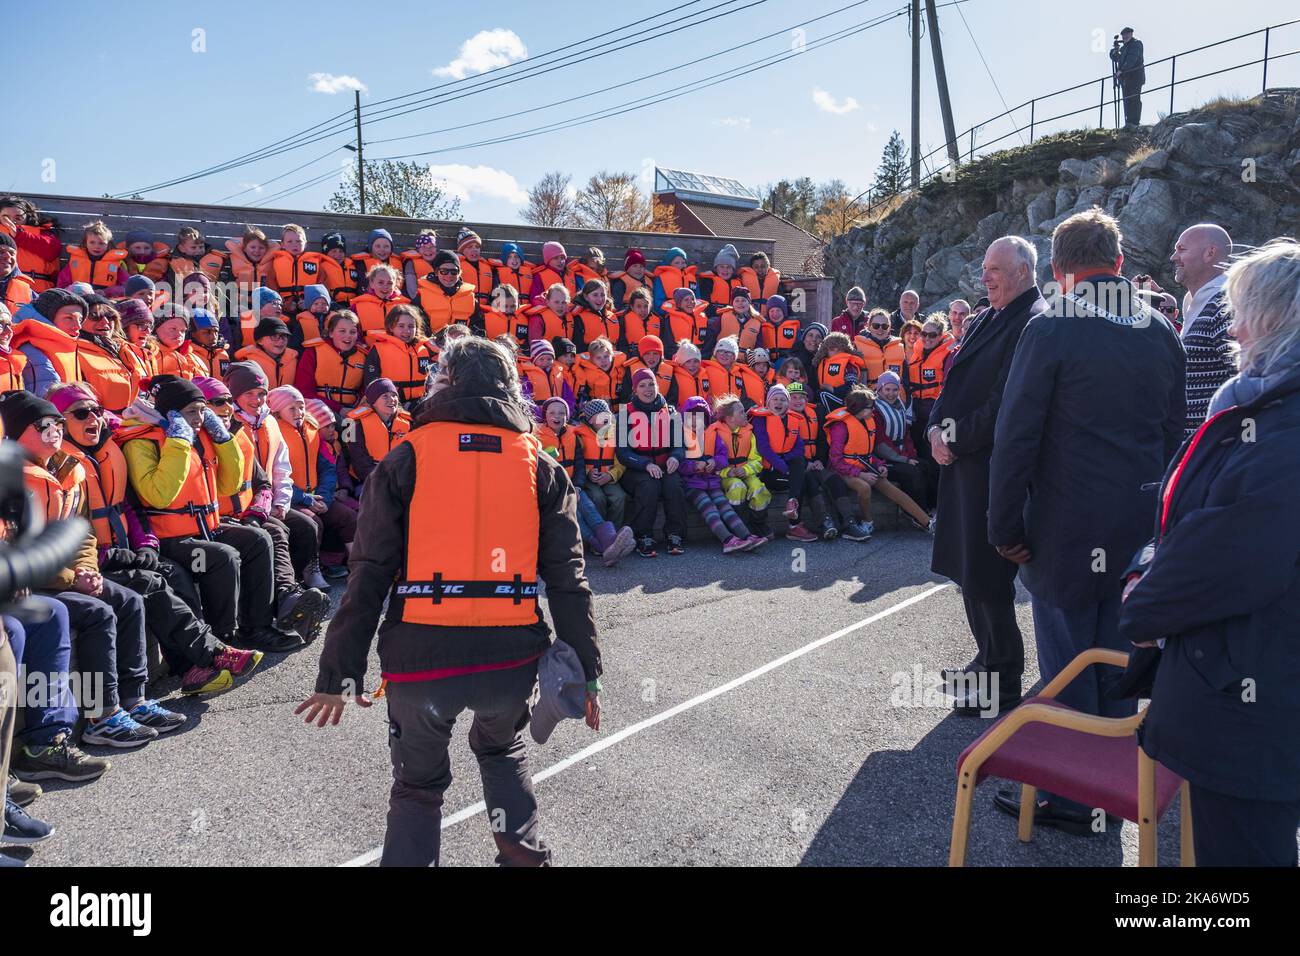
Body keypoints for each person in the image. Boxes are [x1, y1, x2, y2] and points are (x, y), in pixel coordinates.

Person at [299, 336, 602, 868]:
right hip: (509, 657)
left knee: (417, 788)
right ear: (511, 387)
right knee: (502, 753)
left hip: (421, 656)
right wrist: (588, 673)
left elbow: (367, 575)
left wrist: (339, 676)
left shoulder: (404, 457)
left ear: (444, 382)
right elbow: (568, 580)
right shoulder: (542, 464)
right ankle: (527, 861)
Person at [988, 209, 1185, 832]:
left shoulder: (1050, 328)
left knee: (1069, 663)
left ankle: (1073, 798)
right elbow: (1174, 435)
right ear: (1119, 264)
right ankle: (1113, 788)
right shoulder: (1160, 329)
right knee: (1118, 660)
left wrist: (1003, 527)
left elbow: (1015, 437)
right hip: (1137, 527)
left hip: (1065, 528)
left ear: (1057, 270)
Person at [1119, 240, 1300, 866]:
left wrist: (1143, 607)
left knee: (1244, 857)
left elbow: (1227, 555)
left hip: (1251, 703)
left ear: (1270, 320)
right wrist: (1148, 563)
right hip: (1250, 683)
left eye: (1240, 311)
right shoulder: (1259, 406)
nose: (1232, 326)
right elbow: (1182, 513)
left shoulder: (1279, 431)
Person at [51, 382, 263, 695]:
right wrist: (105, 558)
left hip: (128, 549)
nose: (93, 419)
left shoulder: (102, 452)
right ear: (57, 423)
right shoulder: (63, 465)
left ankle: (214, 653)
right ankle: (203, 660)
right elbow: (157, 497)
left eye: (96, 411)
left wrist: (146, 543)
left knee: (189, 566)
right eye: (81, 413)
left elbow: (129, 507)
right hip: (97, 560)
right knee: (164, 579)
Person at [2, 389, 179, 747]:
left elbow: (81, 534)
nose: (54, 429)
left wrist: (87, 569)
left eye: (56, 422)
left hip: (68, 575)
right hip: (35, 584)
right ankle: (102, 715)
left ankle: (134, 699)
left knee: (129, 601)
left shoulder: (70, 472)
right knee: (97, 613)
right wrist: (74, 578)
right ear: (20, 433)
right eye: (42, 424)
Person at [928, 236, 1047, 716]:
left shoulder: (1033, 320)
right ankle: (984, 662)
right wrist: (936, 427)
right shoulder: (987, 316)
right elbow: (954, 381)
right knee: (969, 574)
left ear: (1024, 270)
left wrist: (953, 440)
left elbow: (1006, 403)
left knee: (990, 581)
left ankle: (1002, 683)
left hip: (989, 468)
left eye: (994, 269)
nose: (985, 277)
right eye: (984, 268)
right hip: (961, 464)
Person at [119, 374, 306, 653]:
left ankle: (257, 627)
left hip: (205, 526)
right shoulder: (142, 442)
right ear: (170, 414)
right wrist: (179, 442)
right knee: (222, 556)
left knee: (258, 539)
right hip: (170, 538)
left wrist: (222, 438)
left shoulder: (202, 436)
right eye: (190, 411)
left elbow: (228, 485)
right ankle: (224, 638)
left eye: (202, 410)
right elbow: (159, 494)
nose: (198, 417)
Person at [268, 385, 357, 585]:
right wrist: (305, 498)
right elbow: (275, 478)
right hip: (291, 498)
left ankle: (357, 566)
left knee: (348, 518)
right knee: (313, 523)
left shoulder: (311, 431)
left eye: (301, 407)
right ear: (277, 411)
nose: (299, 413)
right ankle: (309, 570)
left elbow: (327, 469)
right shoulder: (273, 433)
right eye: (292, 408)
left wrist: (324, 497)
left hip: (316, 495)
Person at [537, 396, 634, 567]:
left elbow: (579, 465)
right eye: (552, 412)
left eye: (562, 412)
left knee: (587, 506)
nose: (557, 416)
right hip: (552, 490)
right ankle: (604, 546)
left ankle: (610, 541)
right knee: (575, 513)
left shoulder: (572, 435)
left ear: (567, 416)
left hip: (572, 485)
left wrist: (578, 486)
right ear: (545, 415)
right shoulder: (536, 436)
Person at [825, 386, 932, 535]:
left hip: (864, 466)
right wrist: (860, 474)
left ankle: (927, 522)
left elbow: (867, 453)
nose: (873, 410)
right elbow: (836, 460)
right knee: (864, 487)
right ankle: (867, 522)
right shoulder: (841, 426)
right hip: (843, 469)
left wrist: (879, 465)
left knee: (891, 488)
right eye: (870, 407)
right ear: (859, 408)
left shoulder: (867, 421)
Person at [1171, 223, 1236, 436]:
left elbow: (1244, 378)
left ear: (1210, 253)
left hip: (1214, 448)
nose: (1173, 257)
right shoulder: (1196, 302)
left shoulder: (1225, 306)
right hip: (1196, 447)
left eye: (1182, 249)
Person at [618, 367, 687, 557]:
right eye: (642, 385)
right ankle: (644, 536)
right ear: (635, 390)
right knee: (648, 486)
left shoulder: (670, 412)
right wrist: (645, 464)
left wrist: (675, 457)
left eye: (651, 384)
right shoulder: (625, 414)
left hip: (665, 465)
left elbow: (680, 445)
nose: (648, 389)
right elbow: (623, 453)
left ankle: (675, 534)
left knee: (673, 484)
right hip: (637, 469)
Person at [679, 396, 761, 553]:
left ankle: (746, 536)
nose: (696, 420)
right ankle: (727, 540)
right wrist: (696, 466)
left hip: (712, 481)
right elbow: (680, 464)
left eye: (701, 416)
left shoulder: (712, 435)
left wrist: (714, 462)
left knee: (725, 507)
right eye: (692, 416)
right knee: (709, 508)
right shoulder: (680, 437)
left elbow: (723, 456)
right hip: (692, 484)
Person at [872, 370, 938, 513]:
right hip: (883, 460)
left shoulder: (899, 405)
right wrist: (905, 460)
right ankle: (919, 514)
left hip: (901, 455)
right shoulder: (875, 410)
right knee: (913, 474)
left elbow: (906, 436)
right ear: (880, 389)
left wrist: (911, 456)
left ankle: (934, 507)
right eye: (887, 389)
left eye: (895, 389)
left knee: (927, 466)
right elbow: (880, 444)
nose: (891, 393)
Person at [296, 308, 369, 414]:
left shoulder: (364, 356)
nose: (348, 335)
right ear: (331, 333)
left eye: (353, 332)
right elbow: (304, 391)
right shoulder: (313, 352)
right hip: (320, 410)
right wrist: (338, 409)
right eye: (342, 331)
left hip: (354, 410)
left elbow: (366, 392)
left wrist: (356, 410)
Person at [14, 288, 84, 396]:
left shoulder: (67, 345)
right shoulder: (30, 350)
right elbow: (44, 400)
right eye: (69, 318)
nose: (78, 326)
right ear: (47, 318)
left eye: (80, 319)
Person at [362, 304, 432, 408]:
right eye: (401, 326)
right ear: (391, 327)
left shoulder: (424, 350)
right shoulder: (378, 349)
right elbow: (371, 383)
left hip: (419, 404)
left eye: (411, 326)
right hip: (390, 406)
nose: (407, 331)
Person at [345, 378, 411, 484]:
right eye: (385, 396)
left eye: (394, 395)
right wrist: (382, 483)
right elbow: (359, 461)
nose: (392, 400)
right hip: (367, 482)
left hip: (399, 480)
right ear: (373, 402)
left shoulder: (409, 423)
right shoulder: (354, 424)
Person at [417, 250, 483, 336]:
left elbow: (478, 326)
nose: (449, 275)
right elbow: (418, 327)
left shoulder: (470, 298)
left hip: (462, 345)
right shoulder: (421, 296)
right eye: (444, 271)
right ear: (436, 272)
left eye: (454, 271)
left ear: (459, 273)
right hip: (432, 345)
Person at [855, 308, 907, 387]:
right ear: (869, 326)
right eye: (876, 326)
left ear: (889, 327)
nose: (880, 329)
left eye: (884, 326)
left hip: (895, 395)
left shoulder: (900, 346)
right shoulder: (857, 346)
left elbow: (907, 378)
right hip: (870, 395)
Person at [1110, 27, 1145, 127]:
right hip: (1125, 78)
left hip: (1135, 76)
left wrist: (1122, 70)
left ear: (1131, 34)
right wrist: (1114, 50)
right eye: (1123, 35)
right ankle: (1129, 123)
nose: (1125, 36)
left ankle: (1134, 122)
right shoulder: (1124, 48)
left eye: (1127, 34)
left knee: (1134, 99)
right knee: (1127, 100)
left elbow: (1131, 59)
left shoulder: (1136, 44)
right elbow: (1115, 57)